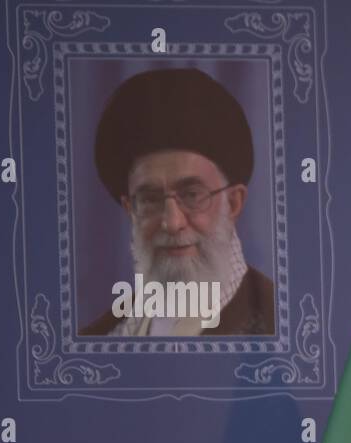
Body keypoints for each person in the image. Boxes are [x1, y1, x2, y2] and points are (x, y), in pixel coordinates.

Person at [83, 67, 274, 336]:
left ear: (233, 203)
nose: (172, 222)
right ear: (130, 210)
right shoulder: (101, 337)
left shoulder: (281, 327)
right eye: (150, 199)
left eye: (192, 195)